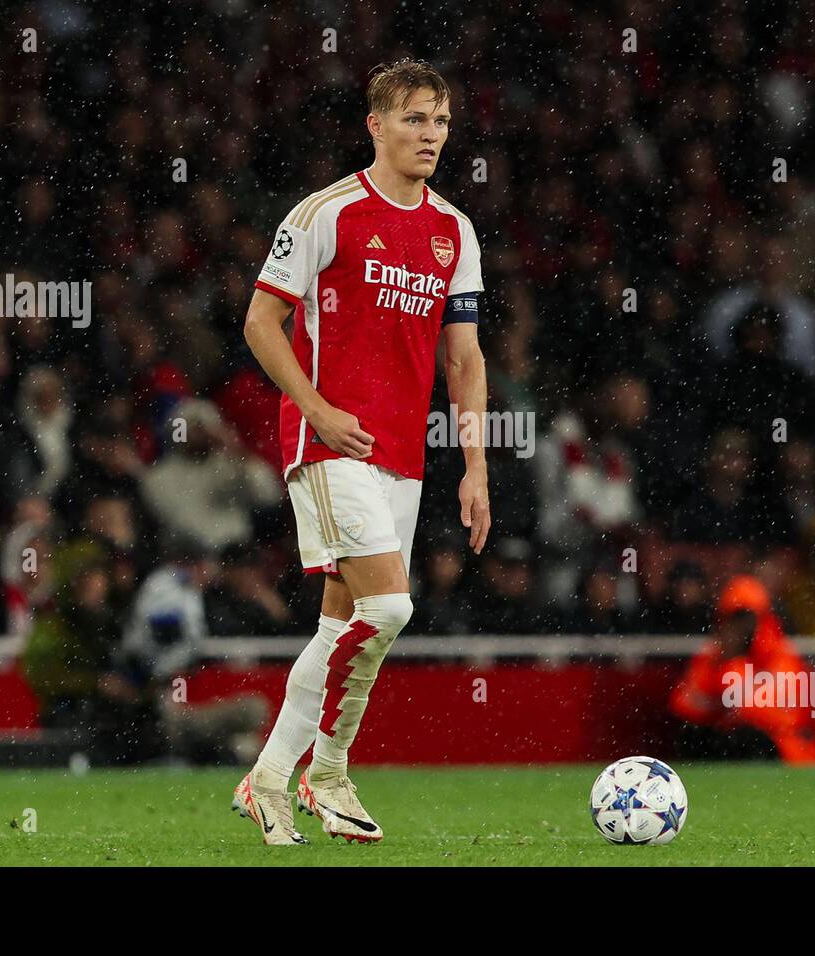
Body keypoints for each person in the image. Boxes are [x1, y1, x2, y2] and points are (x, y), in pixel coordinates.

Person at [236, 59, 489, 845]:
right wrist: (316, 408)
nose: (432, 136)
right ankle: (330, 770)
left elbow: (465, 359)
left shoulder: (454, 229)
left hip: (403, 458)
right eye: (415, 119)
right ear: (376, 126)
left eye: (441, 121)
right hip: (327, 441)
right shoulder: (327, 213)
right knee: (390, 606)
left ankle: (271, 781)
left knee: (342, 624)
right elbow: (259, 323)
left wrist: (476, 464)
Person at [669, 575, 815, 764]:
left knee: (749, 738)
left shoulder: (781, 655)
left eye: (746, 618)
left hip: (781, 749)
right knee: (692, 736)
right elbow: (683, 704)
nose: (741, 627)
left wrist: (729, 672)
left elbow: (770, 714)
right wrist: (721, 682)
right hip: (731, 740)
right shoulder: (714, 654)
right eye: (734, 618)